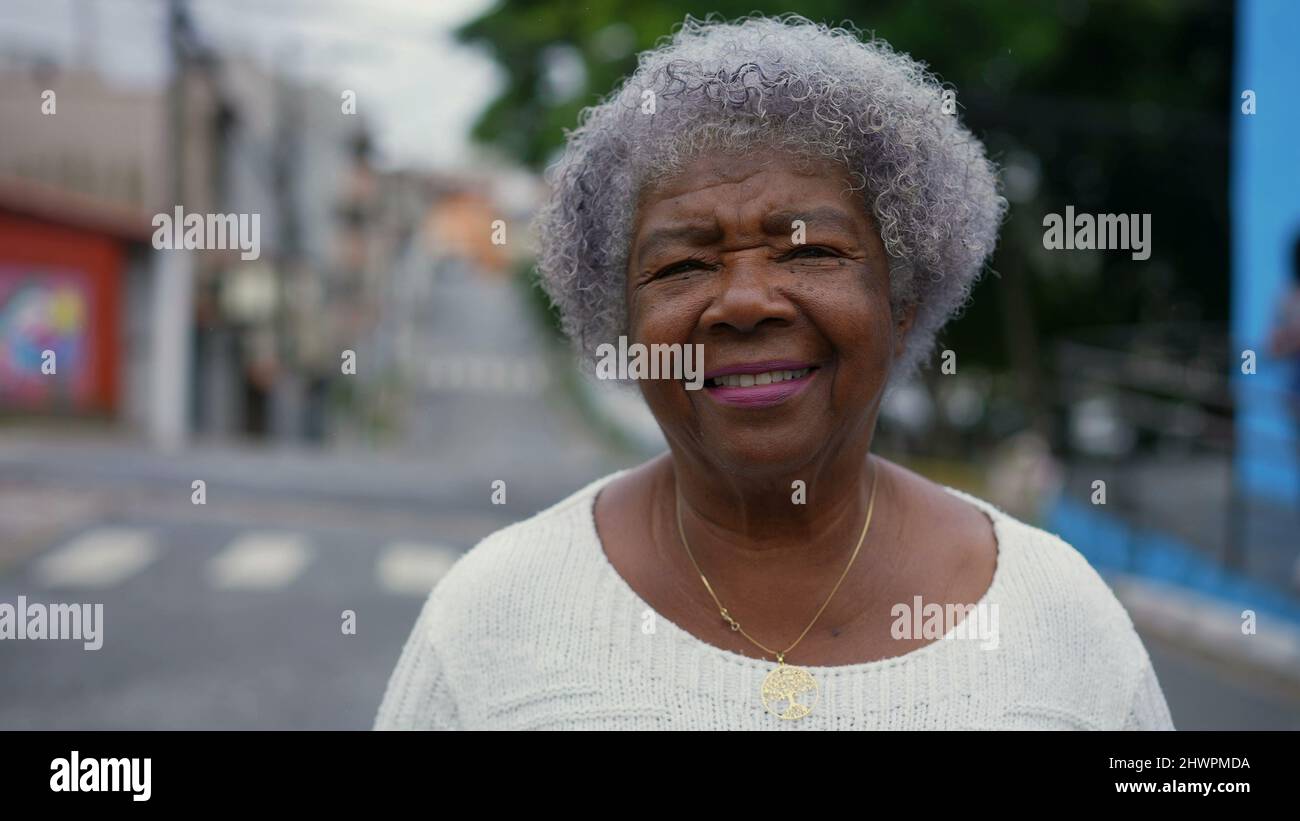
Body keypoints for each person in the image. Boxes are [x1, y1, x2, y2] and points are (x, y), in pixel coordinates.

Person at [374, 14, 1174, 730]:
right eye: (683, 264)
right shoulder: (489, 617)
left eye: (813, 252)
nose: (746, 302)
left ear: (902, 302)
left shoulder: (1061, 619)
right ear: (622, 322)